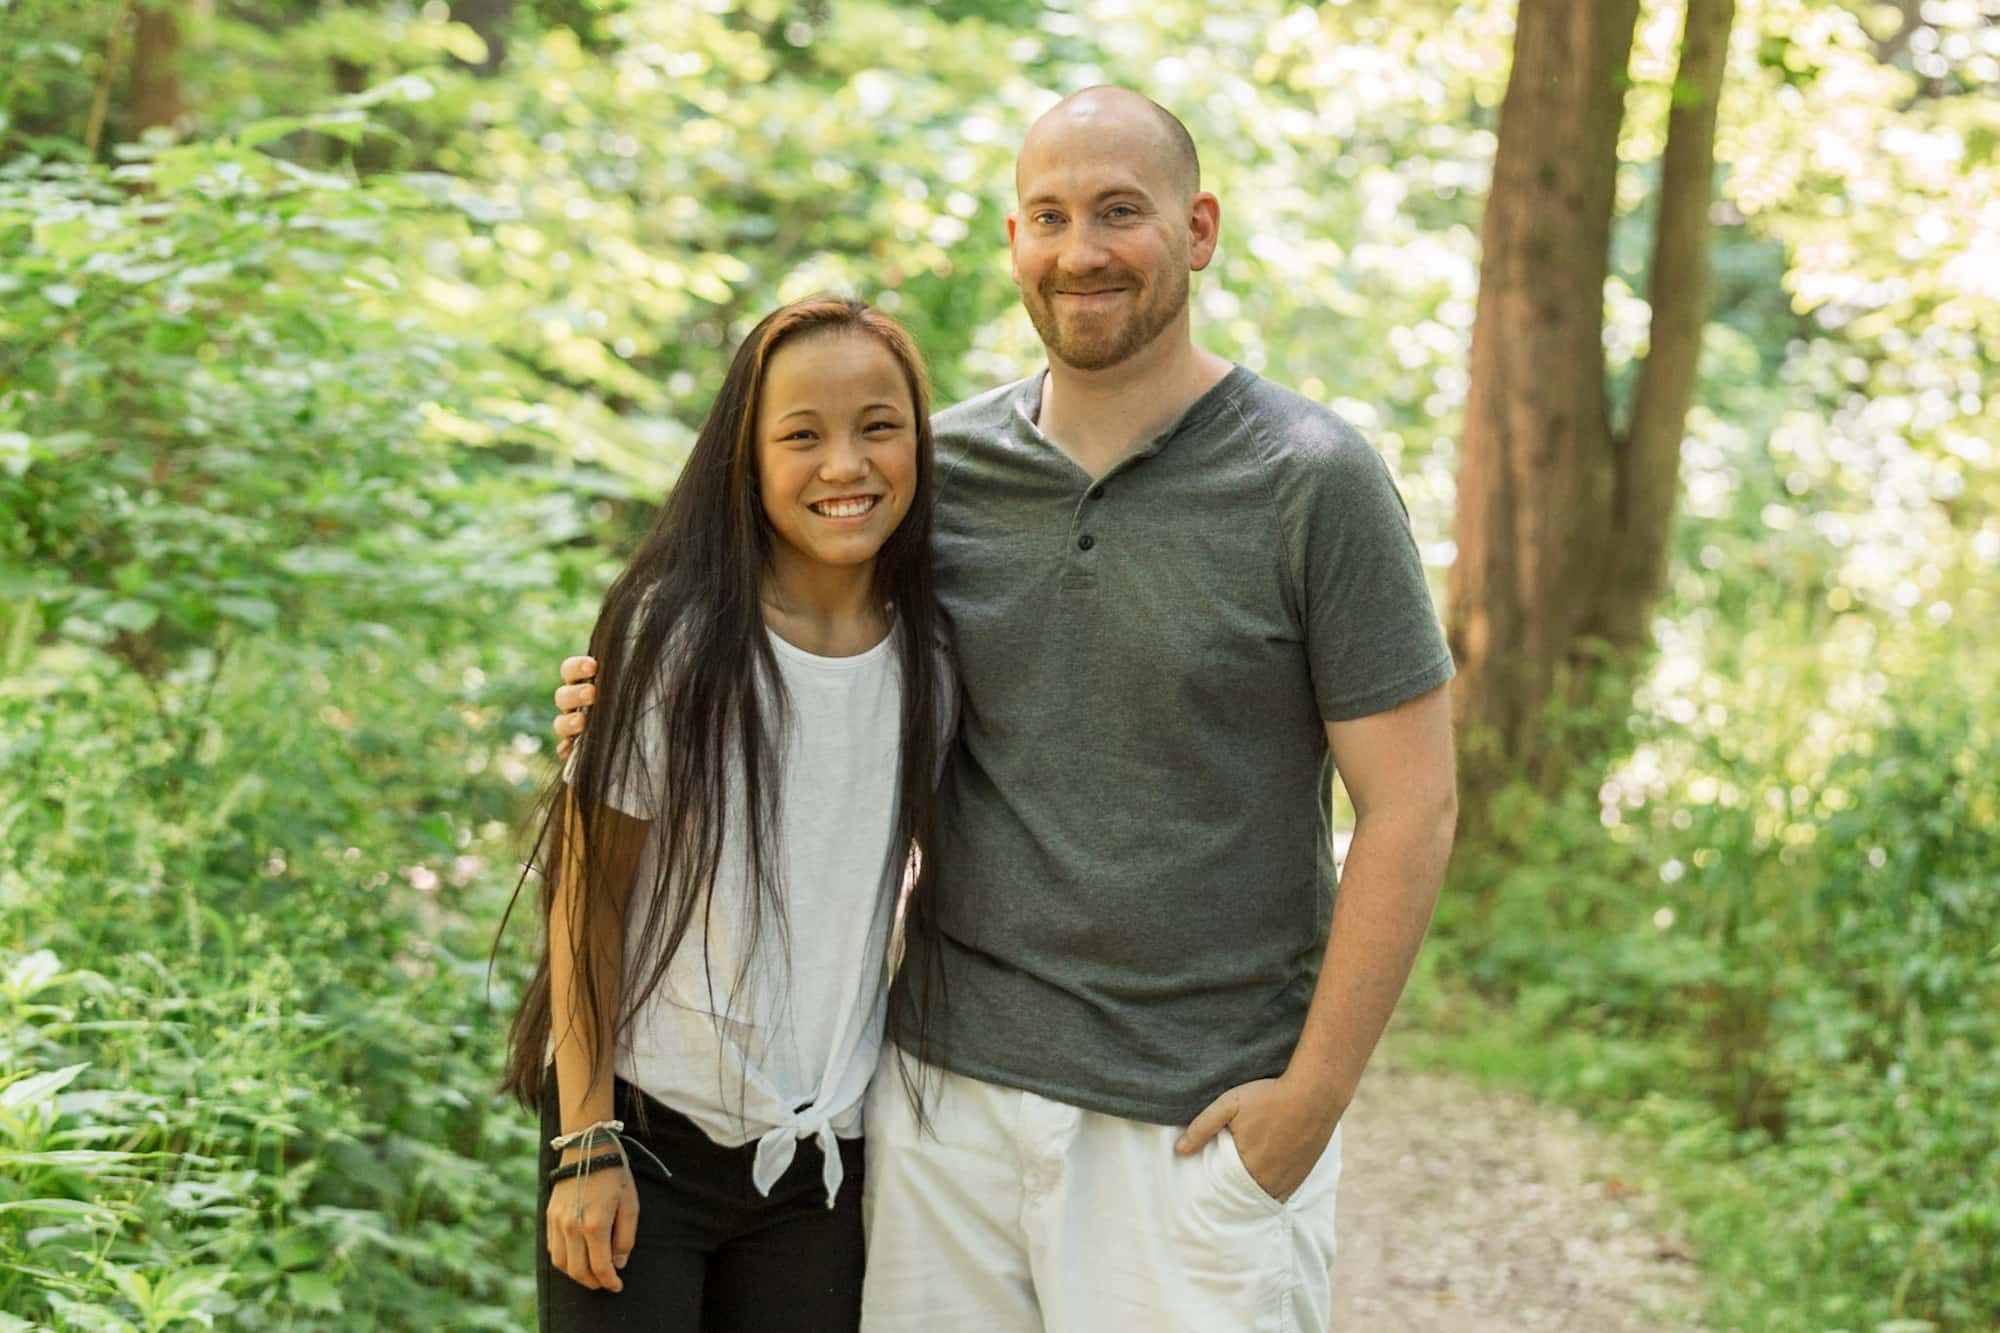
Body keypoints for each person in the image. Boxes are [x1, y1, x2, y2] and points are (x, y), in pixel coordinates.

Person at [554, 87, 1458, 1332]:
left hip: (1187, 1125)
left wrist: (1311, 1096)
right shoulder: (939, 471)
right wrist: (615, 695)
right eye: (1049, 216)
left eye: (1117, 212)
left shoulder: (1314, 482)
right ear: (1015, 243)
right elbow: (774, 632)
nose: (1080, 249)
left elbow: (1412, 804)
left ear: (1196, 229)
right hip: (939, 1108)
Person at [501, 295, 950, 1332]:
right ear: (744, 459)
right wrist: (586, 1144)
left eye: (878, 425)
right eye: (801, 434)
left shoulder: (933, 647)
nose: (845, 463)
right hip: (641, 1139)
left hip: (820, 1165)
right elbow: (584, 905)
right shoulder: (680, 638)